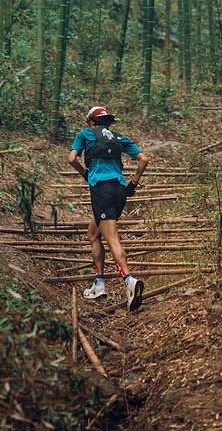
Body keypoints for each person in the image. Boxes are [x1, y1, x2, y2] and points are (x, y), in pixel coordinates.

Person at [68, 105, 149, 311]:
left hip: (101, 189)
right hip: (120, 190)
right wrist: (132, 183)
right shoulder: (119, 138)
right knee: (93, 233)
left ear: (91, 122)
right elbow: (144, 159)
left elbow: (71, 159)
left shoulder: (85, 134)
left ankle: (129, 280)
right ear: (107, 123)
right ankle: (99, 284)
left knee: (111, 237)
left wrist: (85, 174)